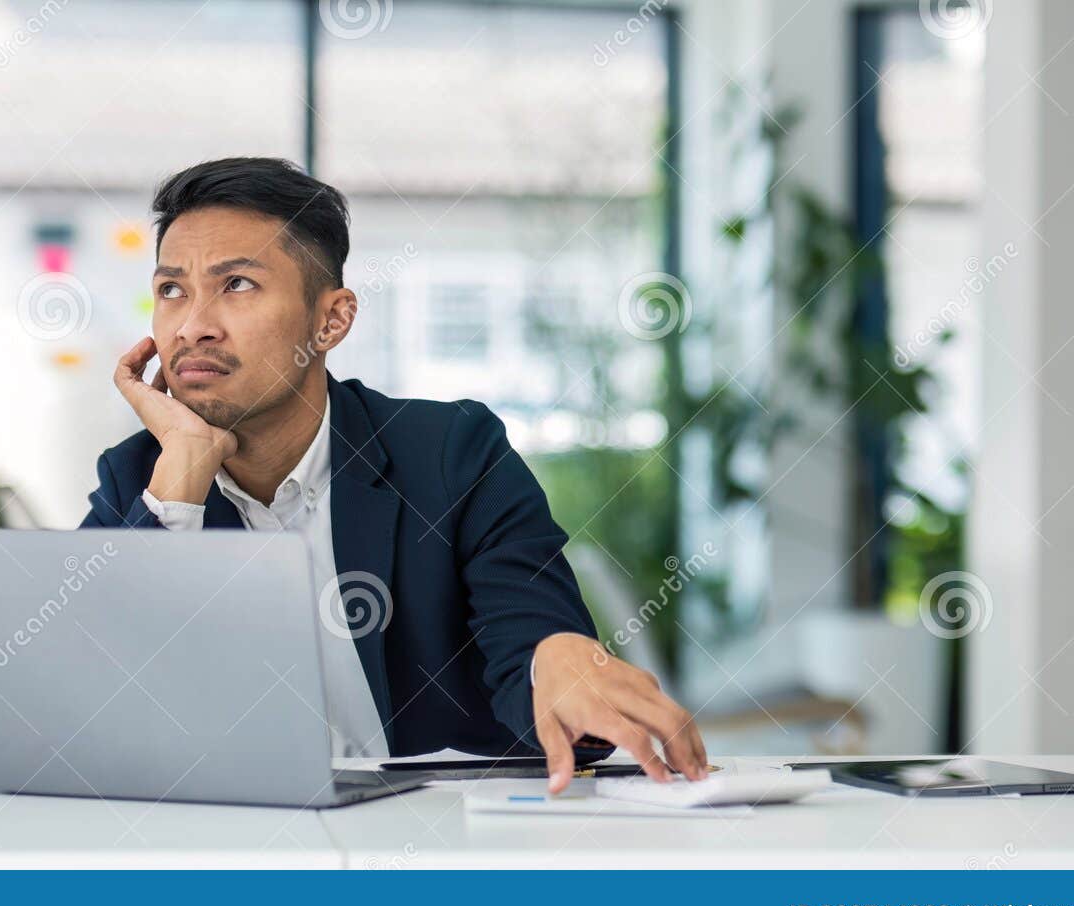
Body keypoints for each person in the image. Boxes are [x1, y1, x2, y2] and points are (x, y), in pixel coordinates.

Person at [80, 157, 706, 792]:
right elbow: (86, 702)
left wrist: (554, 661)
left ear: (331, 320)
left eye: (236, 285)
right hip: (228, 845)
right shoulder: (143, 479)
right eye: (171, 290)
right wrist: (180, 480)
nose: (191, 326)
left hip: (435, 848)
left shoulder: (451, 455)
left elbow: (533, 643)